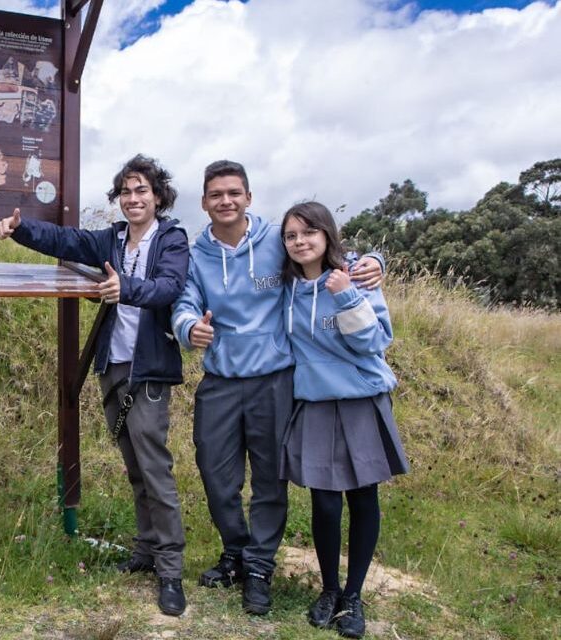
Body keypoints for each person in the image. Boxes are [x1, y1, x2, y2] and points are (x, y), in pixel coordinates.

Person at [171, 161, 384, 615]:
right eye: (215, 194)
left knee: (270, 479)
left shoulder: (277, 239)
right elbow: (185, 301)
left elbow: (328, 254)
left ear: (249, 197)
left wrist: (373, 261)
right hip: (221, 379)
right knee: (215, 474)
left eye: (234, 192)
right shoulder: (196, 254)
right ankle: (235, 552)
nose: (225, 201)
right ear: (204, 202)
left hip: (275, 380)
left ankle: (259, 568)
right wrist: (189, 327)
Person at [0, 155, 189, 616]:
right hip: (113, 366)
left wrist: (127, 290)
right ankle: (146, 550)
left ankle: (171, 571)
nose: (133, 198)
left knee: (154, 467)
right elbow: (69, 240)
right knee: (134, 463)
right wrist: (22, 230)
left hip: (148, 371)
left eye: (141, 190)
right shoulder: (113, 239)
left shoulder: (172, 239)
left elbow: (169, 287)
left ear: (158, 196)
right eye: (125, 191)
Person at [278, 202, 408, 639]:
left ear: (327, 235)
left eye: (309, 232)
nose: (300, 241)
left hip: (360, 399)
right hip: (315, 401)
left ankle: (354, 596)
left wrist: (348, 293)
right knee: (325, 502)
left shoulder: (355, 278)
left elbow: (375, 341)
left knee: (363, 498)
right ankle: (329, 589)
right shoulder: (286, 286)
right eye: (291, 235)